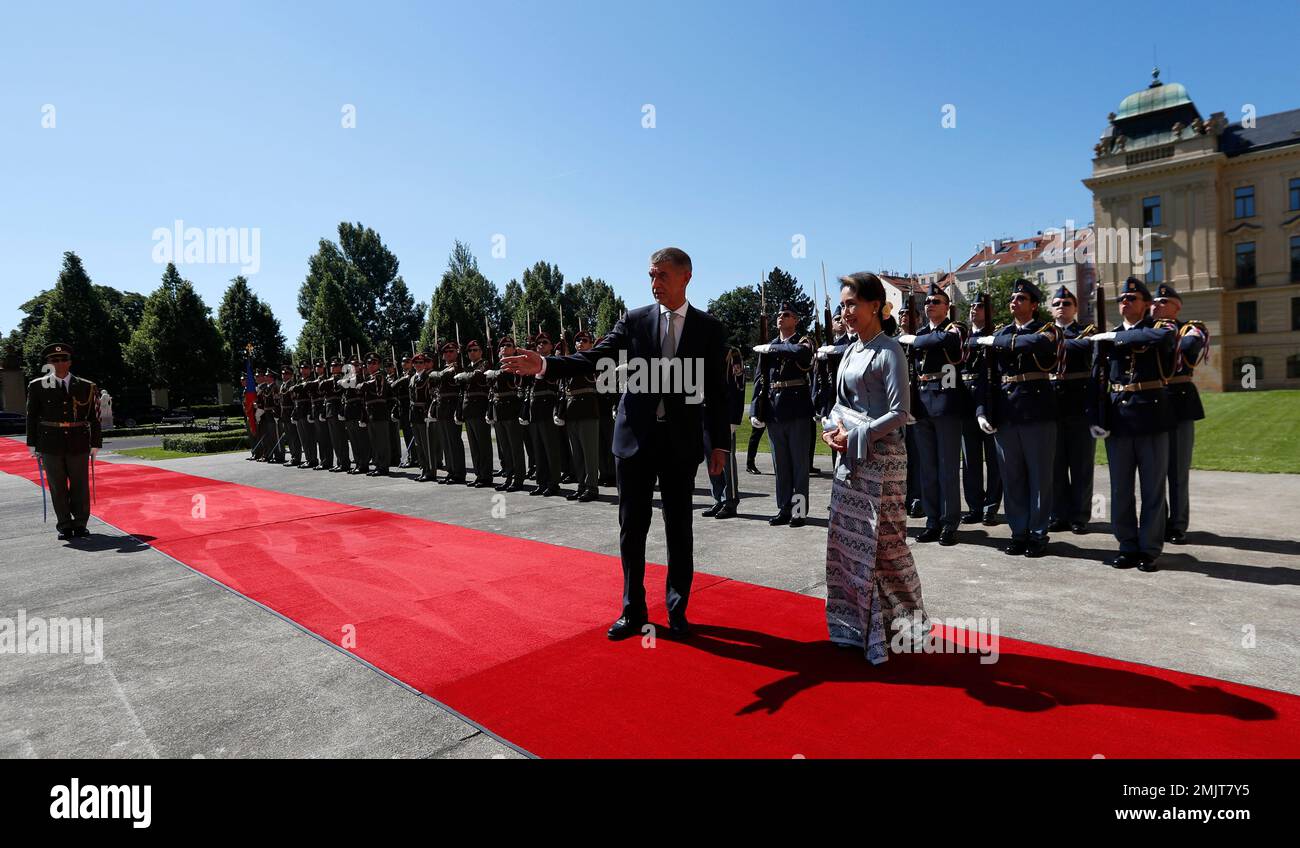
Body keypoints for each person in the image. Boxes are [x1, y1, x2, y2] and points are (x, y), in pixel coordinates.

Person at [503, 247, 728, 640]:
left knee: (680, 529)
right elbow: (597, 357)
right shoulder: (635, 320)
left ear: (686, 277)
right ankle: (632, 610)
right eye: (650, 276)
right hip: (634, 440)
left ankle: (678, 612)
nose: (654, 283)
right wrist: (546, 365)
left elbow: (718, 391)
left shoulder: (708, 328)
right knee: (632, 528)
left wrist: (720, 445)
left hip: (679, 443)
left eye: (661, 275)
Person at [821, 274, 926, 664]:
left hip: (884, 463)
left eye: (851, 304)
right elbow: (837, 406)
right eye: (843, 305)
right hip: (849, 462)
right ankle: (853, 629)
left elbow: (900, 413)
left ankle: (906, 628)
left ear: (875, 306)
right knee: (847, 545)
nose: (845, 312)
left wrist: (857, 435)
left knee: (885, 546)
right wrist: (832, 432)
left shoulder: (890, 352)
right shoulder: (849, 351)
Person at [1086, 276, 1177, 572]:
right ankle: (1126, 545)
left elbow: (1162, 340)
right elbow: (1097, 381)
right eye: (1121, 299)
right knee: (1121, 489)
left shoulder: (1158, 329)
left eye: (1131, 298)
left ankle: (1149, 549)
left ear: (1147, 305)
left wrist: (1116, 339)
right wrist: (1095, 418)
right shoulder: (1107, 337)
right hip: (1119, 420)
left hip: (1151, 417)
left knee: (1152, 489)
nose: (1124, 302)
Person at [968, 278, 1060, 558]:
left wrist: (999, 341)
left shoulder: (1046, 329)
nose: (1014, 302)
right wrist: (982, 410)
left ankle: (1038, 533)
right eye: (1012, 298)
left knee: (1039, 477)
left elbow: (1037, 344)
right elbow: (986, 377)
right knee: (1012, 478)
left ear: (1033, 305)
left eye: (1021, 298)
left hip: (1036, 413)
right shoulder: (1000, 333)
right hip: (1006, 414)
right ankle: (1019, 531)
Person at [897, 283, 965, 546]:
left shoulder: (954, 328)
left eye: (936, 301)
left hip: (946, 404)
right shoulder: (921, 333)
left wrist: (913, 339)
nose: (930, 305)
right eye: (927, 302)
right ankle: (933, 521)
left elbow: (945, 341)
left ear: (947, 307)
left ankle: (950, 523)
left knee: (947, 468)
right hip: (922, 405)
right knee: (928, 469)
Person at [26, 343, 103, 540]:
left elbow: (94, 418)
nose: (59, 363)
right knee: (57, 486)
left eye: (63, 359)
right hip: (50, 443)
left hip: (78, 442)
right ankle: (64, 525)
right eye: (54, 360)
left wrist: (95, 443)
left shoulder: (87, 386)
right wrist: (32, 445)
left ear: (70, 362)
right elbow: (32, 416)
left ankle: (80, 524)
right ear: (48, 363)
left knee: (80, 486)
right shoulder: (37, 386)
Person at [1151, 283, 1207, 545]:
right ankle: (1158, 521)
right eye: (1154, 302)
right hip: (1152, 404)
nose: (1156, 305)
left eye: (1163, 302)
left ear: (1177, 306)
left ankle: (1178, 524)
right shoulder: (1146, 330)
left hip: (1180, 403)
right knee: (1154, 471)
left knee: (1177, 470)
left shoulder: (1190, 328)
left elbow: (1189, 346)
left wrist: (1160, 337)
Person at [751, 303, 814, 527]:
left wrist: (772, 349)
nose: (780, 317)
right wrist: (754, 410)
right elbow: (760, 379)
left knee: (799, 465)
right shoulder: (769, 346)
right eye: (778, 314)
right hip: (774, 410)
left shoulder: (803, 341)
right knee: (781, 465)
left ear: (795, 320)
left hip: (797, 409)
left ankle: (799, 511)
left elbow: (803, 353)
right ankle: (784, 509)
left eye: (786, 314)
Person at [1047, 286, 1096, 534]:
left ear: (1075, 308)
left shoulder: (1087, 332)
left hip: (1079, 407)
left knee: (1081, 466)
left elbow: (1085, 348)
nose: (1061, 307)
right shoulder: (1043, 333)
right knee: (1055, 466)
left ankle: (1080, 516)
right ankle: (1058, 514)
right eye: (1057, 303)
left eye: (1067, 303)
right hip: (1052, 407)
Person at [958, 293, 1001, 526]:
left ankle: (991, 507)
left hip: (990, 401)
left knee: (993, 460)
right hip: (967, 402)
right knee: (970, 460)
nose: (975, 310)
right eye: (973, 306)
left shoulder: (995, 334)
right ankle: (974, 506)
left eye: (980, 307)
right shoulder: (962, 336)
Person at [560, 330, 601, 501]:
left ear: (591, 344)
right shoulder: (572, 361)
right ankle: (581, 486)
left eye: (584, 340)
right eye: (577, 341)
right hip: (572, 411)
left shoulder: (593, 360)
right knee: (577, 453)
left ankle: (592, 487)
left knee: (589, 453)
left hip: (587, 411)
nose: (580, 343)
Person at [705, 347, 745, 519]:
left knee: (726, 460)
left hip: (723, 415)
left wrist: (734, 419)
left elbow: (738, 387)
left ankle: (731, 500)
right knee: (710, 459)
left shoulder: (730, 353)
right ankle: (718, 498)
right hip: (704, 412)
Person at [486, 337, 528, 491]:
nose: (504, 347)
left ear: (514, 349)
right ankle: (509, 476)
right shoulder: (498, 364)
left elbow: (507, 375)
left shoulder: (515, 363)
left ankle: (518, 479)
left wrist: (494, 372)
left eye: (508, 345)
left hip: (511, 408)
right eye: (502, 345)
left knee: (515, 446)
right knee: (505, 447)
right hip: (499, 409)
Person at [525, 333, 564, 496]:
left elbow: (553, 382)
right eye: (538, 342)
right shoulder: (533, 363)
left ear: (551, 346)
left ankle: (553, 483)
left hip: (548, 408)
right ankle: (541, 482)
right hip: (535, 409)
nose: (540, 345)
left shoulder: (553, 363)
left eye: (544, 342)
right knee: (538, 448)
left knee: (550, 449)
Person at [458, 340, 495, 488]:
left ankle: (486, 476)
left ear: (480, 351)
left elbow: (477, 376)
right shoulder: (467, 368)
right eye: (469, 351)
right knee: (474, 447)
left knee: (483, 446)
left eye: (475, 349)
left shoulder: (485, 365)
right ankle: (479, 474)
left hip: (480, 409)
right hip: (469, 410)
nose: (472, 352)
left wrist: (463, 376)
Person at [434, 342, 467, 484]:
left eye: (451, 351)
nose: (448, 354)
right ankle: (451, 471)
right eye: (445, 352)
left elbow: (439, 377)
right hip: (442, 409)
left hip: (452, 408)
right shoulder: (444, 368)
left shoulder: (457, 368)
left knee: (454, 443)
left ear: (457, 353)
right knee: (446, 443)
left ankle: (458, 473)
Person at [360, 353, 393, 476]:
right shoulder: (369, 377)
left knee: (382, 441)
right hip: (371, 413)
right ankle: (378, 465)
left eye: (374, 363)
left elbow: (365, 387)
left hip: (379, 413)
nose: (371, 365)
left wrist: (359, 385)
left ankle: (383, 466)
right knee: (375, 441)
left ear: (378, 364)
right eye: (369, 363)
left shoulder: (380, 376)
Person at [340, 354, 371, 475]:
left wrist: (343, 380)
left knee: (361, 439)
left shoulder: (360, 377)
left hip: (358, 410)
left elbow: (348, 384)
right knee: (353, 440)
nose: (354, 367)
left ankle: (364, 463)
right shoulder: (349, 376)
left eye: (357, 365)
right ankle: (358, 462)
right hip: (349, 411)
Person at [321, 358, 351, 473]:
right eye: (332, 365)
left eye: (336, 365)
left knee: (341, 439)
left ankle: (345, 463)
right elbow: (321, 388)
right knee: (335, 439)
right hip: (330, 411)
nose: (333, 367)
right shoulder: (329, 380)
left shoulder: (343, 379)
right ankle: (340, 462)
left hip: (338, 410)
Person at [292, 362, 319, 469]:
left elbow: (310, 399)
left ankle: (313, 459)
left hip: (306, 411)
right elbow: (295, 399)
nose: (303, 370)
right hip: (299, 412)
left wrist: (309, 413)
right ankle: (308, 459)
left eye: (306, 368)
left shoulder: (311, 381)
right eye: (302, 368)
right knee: (303, 438)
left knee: (310, 438)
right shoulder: (299, 381)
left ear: (311, 369)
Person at [277, 365, 300, 467]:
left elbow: (295, 401)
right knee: (289, 437)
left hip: (290, 413)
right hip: (284, 414)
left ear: (291, 375)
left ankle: (296, 457)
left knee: (294, 437)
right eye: (283, 373)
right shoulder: (282, 386)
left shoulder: (292, 385)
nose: (284, 375)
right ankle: (293, 456)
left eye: (286, 373)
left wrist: (294, 414)